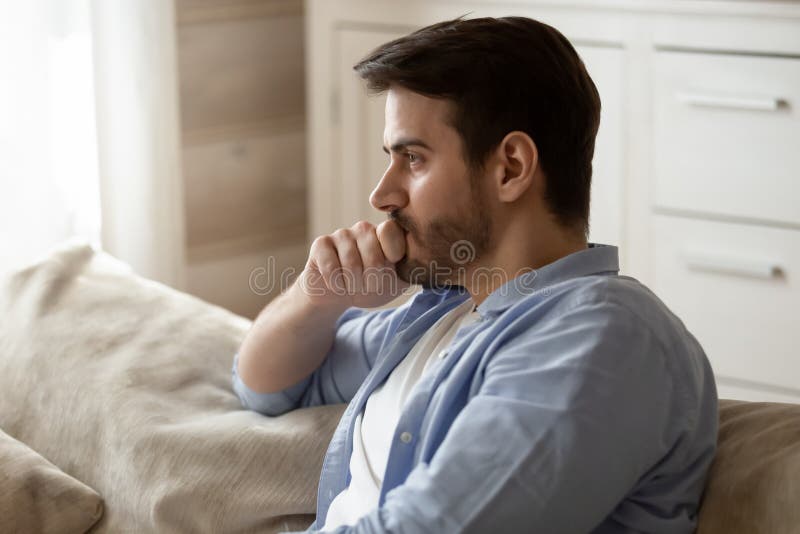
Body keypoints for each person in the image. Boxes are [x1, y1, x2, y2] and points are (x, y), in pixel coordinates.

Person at [232, 15, 718, 534]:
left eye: (412, 159)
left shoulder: (604, 333)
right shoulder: (448, 312)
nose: (381, 195)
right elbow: (265, 384)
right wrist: (318, 297)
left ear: (509, 167)